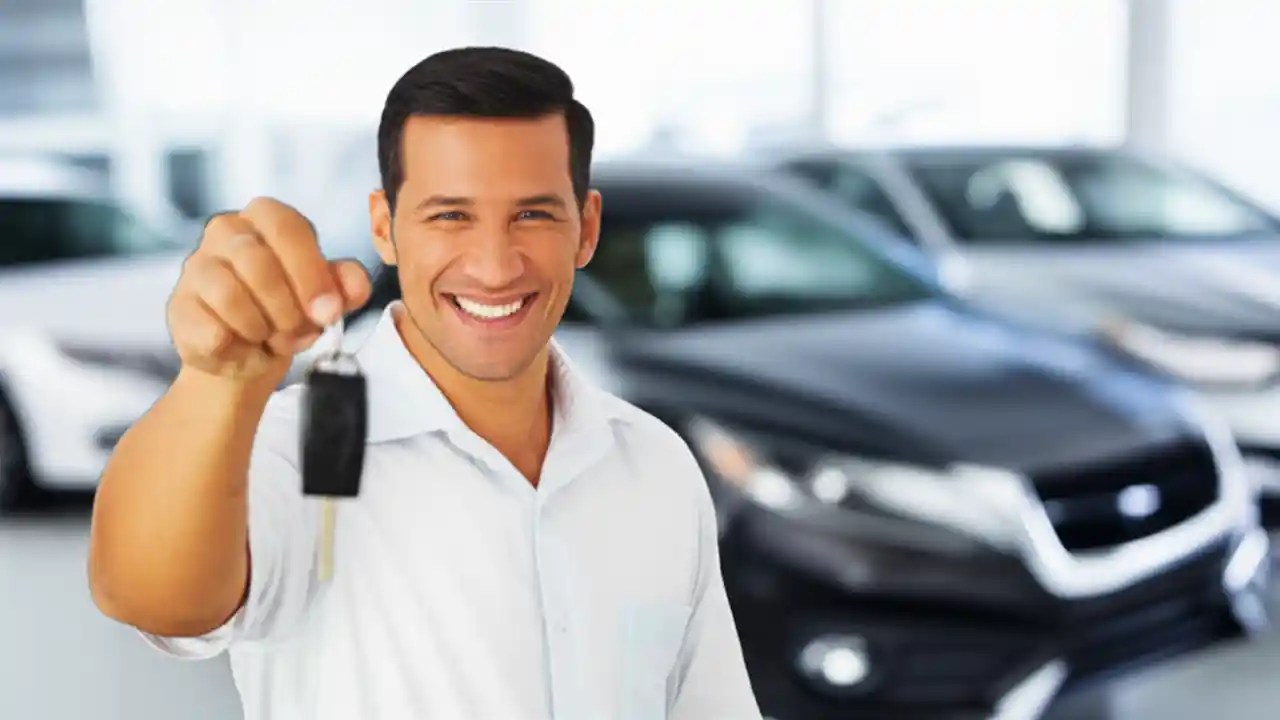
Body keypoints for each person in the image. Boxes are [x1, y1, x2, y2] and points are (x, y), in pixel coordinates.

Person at [87, 47, 762, 720]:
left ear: (586, 228)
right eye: (450, 216)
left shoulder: (656, 463)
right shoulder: (306, 448)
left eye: (532, 215)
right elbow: (152, 593)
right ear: (385, 227)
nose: (495, 267)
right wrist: (215, 383)